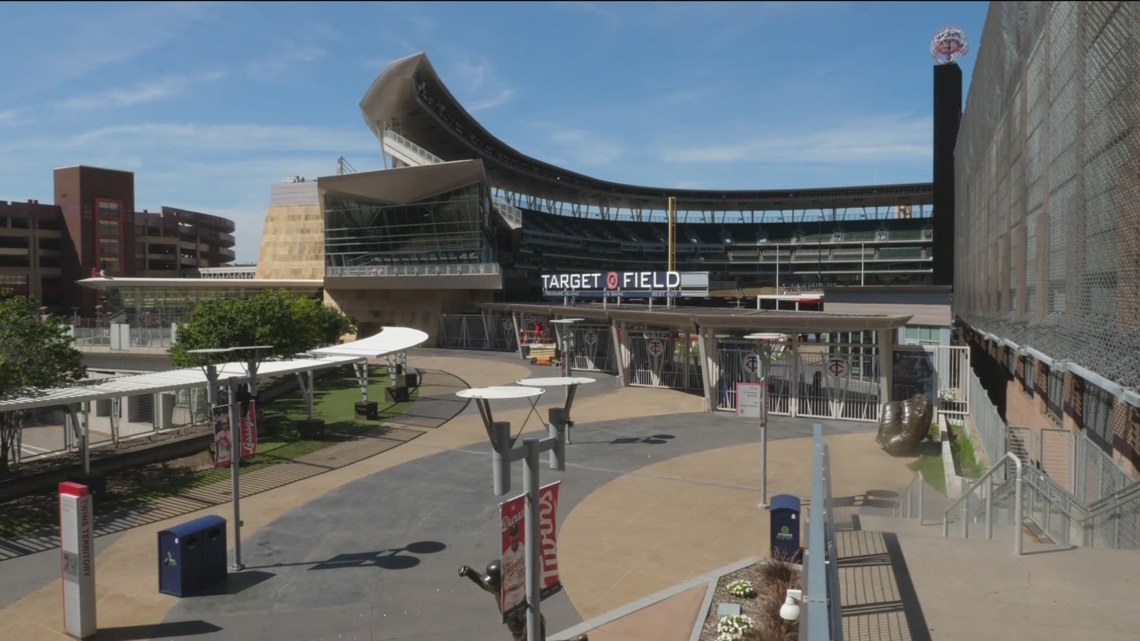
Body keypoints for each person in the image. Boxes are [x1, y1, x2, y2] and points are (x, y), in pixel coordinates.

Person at [501, 522, 526, 619]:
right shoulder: (505, 557)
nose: (514, 537)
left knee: (525, 620)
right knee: (511, 621)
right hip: (510, 594)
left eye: (515, 534)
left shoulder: (523, 549)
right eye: (511, 535)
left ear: (518, 534)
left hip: (521, 590)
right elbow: (501, 577)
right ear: (509, 537)